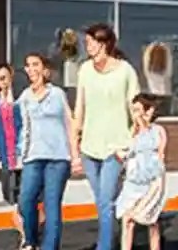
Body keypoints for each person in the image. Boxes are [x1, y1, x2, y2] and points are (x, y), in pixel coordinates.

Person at [73, 23, 141, 250]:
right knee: (104, 201)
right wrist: (75, 149)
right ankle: (122, 230)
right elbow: (79, 108)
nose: (87, 46)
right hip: (89, 148)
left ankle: (104, 246)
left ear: (103, 43)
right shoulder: (84, 70)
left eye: (90, 42)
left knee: (105, 202)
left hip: (116, 148)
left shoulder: (125, 71)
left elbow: (136, 110)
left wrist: (130, 144)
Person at [17, 53, 80, 250]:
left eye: (35, 64)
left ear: (45, 70)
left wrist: (75, 155)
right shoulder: (25, 97)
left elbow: (70, 123)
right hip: (32, 156)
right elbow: (18, 126)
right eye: (28, 65)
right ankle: (31, 240)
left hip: (58, 158)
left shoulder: (57, 94)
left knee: (52, 205)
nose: (31, 69)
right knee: (25, 200)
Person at [115, 94, 168, 250]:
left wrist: (142, 124)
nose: (135, 114)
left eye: (138, 110)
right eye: (133, 110)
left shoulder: (158, 130)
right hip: (133, 182)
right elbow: (125, 151)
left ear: (149, 111)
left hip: (151, 181)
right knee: (127, 220)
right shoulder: (132, 131)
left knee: (151, 221)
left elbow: (159, 152)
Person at [0, 63, 26, 245]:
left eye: (7, 77)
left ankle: (27, 237)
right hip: (6, 160)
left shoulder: (21, 101)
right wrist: (8, 157)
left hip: (24, 158)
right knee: (14, 200)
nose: (5, 82)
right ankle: (25, 235)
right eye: (1, 79)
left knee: (27, 199)